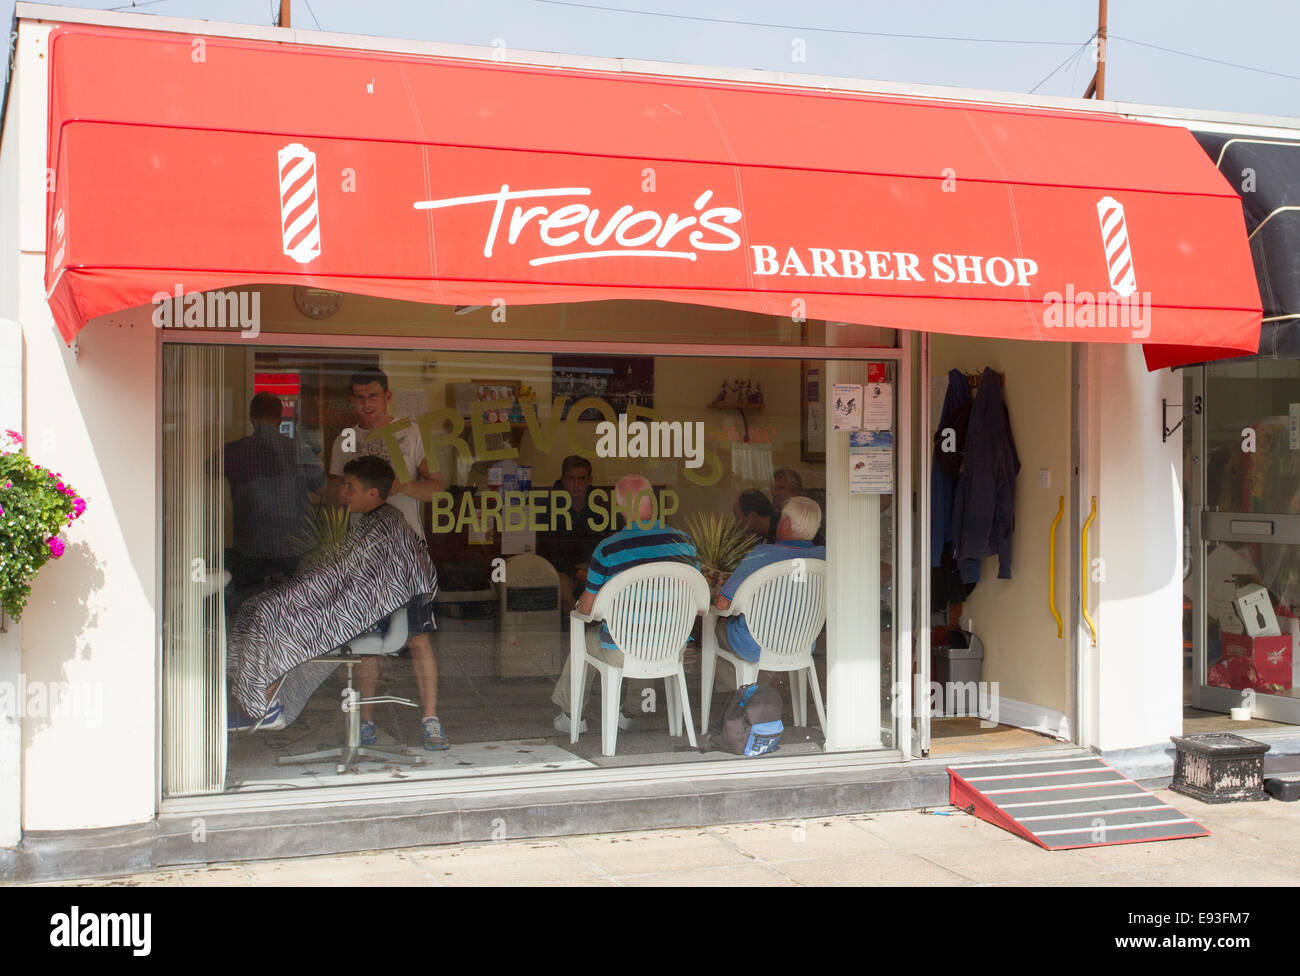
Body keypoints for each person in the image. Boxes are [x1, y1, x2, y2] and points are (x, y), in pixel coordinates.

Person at [228, 456, 449, 751]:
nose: (343, 493)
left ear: (372, 493)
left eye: (350, 486)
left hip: (376, 615)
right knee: (265, 609)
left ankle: (267, 703)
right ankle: (262, 700)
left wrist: (297, 594)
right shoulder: (377, 520)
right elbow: (343, 574)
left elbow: (342, 576)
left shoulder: (385, 525)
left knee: (273, 614)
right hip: (373, 612)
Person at [551, 473, 698, 734]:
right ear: (652, 502)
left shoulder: (609, 549)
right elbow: (695, 596)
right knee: (652, 631)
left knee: (587, 639)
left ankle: (572, 714)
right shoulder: (684, 543)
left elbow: (587, 609)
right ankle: (629, 712)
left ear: (620, 507)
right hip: (672, 644)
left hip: (624, 648)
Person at [219, 392, 326, 613]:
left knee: (251, 610)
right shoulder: (299, 449)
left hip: (252, 547)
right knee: (294, 610)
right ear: (280, 419)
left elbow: (206, 469)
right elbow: (323, 487)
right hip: (294, 546)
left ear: (251, 417)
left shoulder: (234, 451)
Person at [712, 495, 826, 689]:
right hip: (803, 644)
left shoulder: (763, 554)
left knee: (715, 627)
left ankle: (742, 693)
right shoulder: (825, 557)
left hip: (754, 646)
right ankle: (764, 687)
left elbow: (723, 604)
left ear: (787, 522)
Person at [327, 366, 444, 539]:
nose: (366, 404)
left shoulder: (415, 433)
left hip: (405, 542)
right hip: (361, 545)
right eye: (360, 397)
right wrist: (345, 492)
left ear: (387, 396)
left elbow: (438, 489)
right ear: (353, 400)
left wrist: (403, 485)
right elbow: (333, 493)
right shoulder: (345, 439)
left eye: (373, 396)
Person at [535, 454, 608, 613]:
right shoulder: (549, 508)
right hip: (563, 571)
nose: (576, 484)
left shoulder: (601, 507)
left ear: (590, 480)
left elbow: (609, 546)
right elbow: (546, 552)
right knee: (561, 587)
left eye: (581, 478)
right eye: (571, 478)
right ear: (563, 480)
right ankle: (573, 629)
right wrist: (575, 572)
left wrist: (592, 570)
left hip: (594, 569)